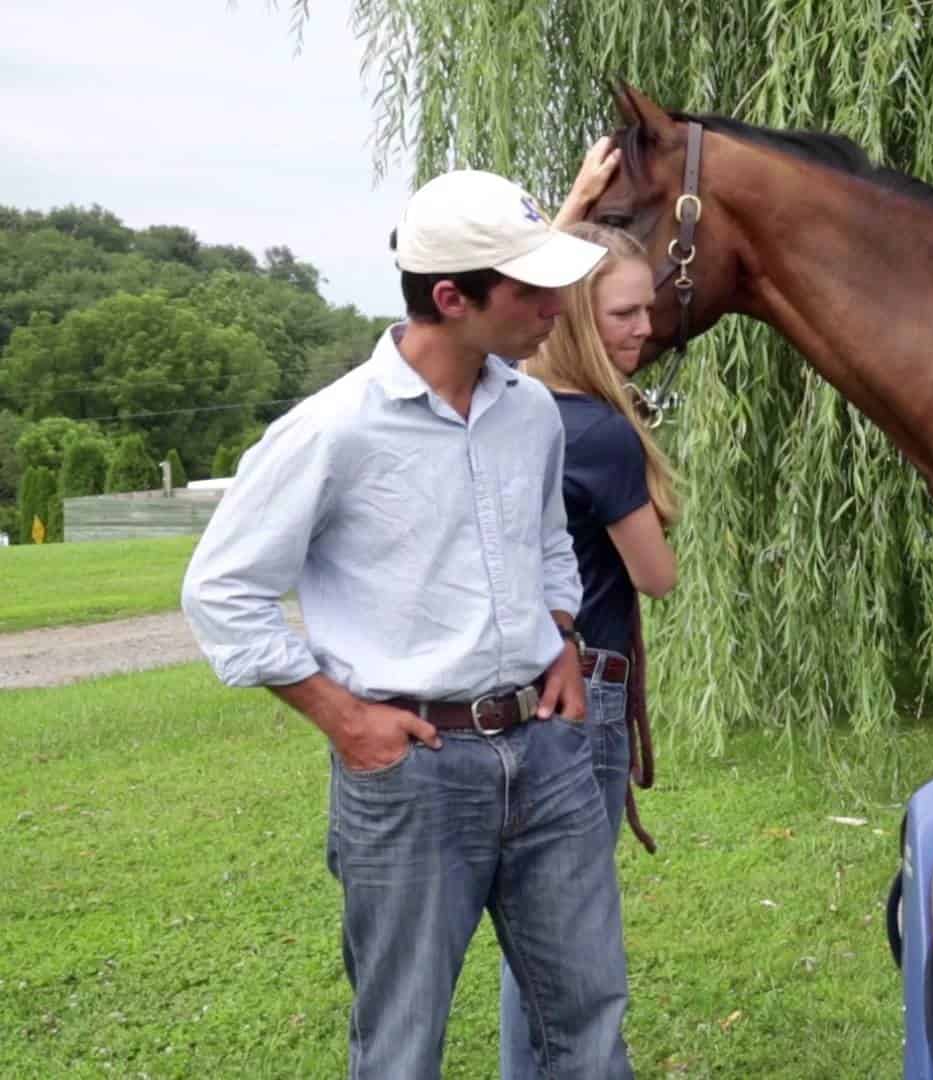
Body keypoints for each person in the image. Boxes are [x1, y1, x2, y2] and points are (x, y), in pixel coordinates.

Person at [180, 167, 635, 1077]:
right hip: (414, 775)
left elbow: (549, 544)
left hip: (549, 760)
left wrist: (562, 642)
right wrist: (343, 719)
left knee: (587, 1023)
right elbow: (221, 591)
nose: (556, 302)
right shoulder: (332, 431)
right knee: (401, 1044)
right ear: (450, 297)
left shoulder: (533, 411)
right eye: (527, 286)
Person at [498, 215, 685, 1078]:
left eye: (648, 312)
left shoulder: (509, 412)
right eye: (624, 315)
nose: (647, 329)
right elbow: (657, 577)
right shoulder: (601, 436)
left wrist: (573, 205)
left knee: (533, 929)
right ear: (575, 318)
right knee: (572, 934)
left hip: (513, 694)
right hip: (588, 693)